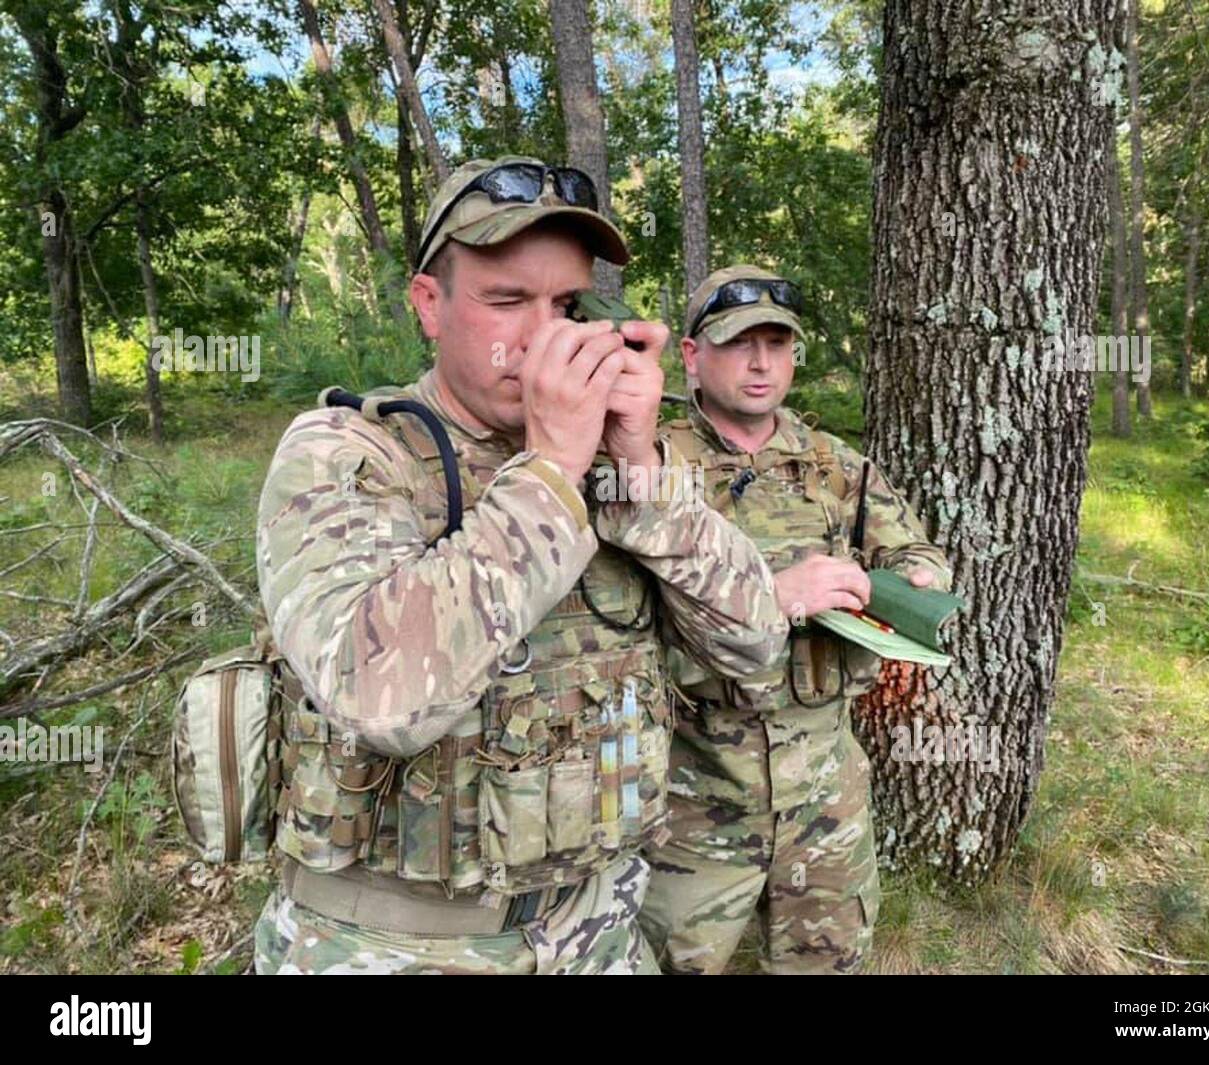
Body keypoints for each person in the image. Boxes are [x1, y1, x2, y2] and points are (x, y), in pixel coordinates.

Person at [251, 161, 787, 974]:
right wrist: (550, 469)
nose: (546, 337)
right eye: (508, 301)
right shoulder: (349, 453)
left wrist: (637, 470)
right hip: (399, 945)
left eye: (568, 306)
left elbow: (756, 645)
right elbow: (383, 695)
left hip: (598, 928)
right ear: (430, 304)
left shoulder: (618, 459)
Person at [639, 264, 953, 974]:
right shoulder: (649, 469)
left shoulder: (834, 466)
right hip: (693, 800)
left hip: (823, 796)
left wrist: (911, 580)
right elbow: (614, 623)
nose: (760, 362)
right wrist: (772, 595)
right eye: (739, 342)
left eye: (777, 343)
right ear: (692, 355)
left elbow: (916, 553)